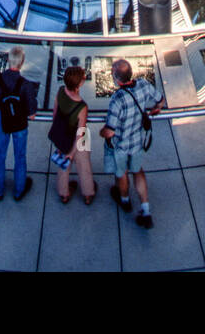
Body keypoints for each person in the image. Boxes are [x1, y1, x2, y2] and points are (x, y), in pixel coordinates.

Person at [100, 58, 164, 229]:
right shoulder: (143, 84)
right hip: (137, 141)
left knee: (121, 173)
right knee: (137, 171)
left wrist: (101, 132)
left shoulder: (117, 99)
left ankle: (125, 200)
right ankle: (146, 209)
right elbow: (160, 100)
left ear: (116, 78)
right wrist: (156, 109)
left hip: (120, 145)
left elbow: (109, 131)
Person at [0, 46, 38, 201]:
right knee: (20, 156)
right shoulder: (26, 85)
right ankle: (19, 190)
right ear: (22, 62)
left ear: (8, 60)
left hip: (2, 119)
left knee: (0, 155)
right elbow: (31, 113)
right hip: (20, 123)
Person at [50, 65, 97, 205]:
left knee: (63, 167)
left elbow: (55, 114)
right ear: (80, 83)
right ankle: (88, 194)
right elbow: (81, 133)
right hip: (76, 141)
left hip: (62, 137)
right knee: (84, 165)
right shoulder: (82, 107)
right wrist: (72, 153)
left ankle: (64, 193)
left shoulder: (60, 92)